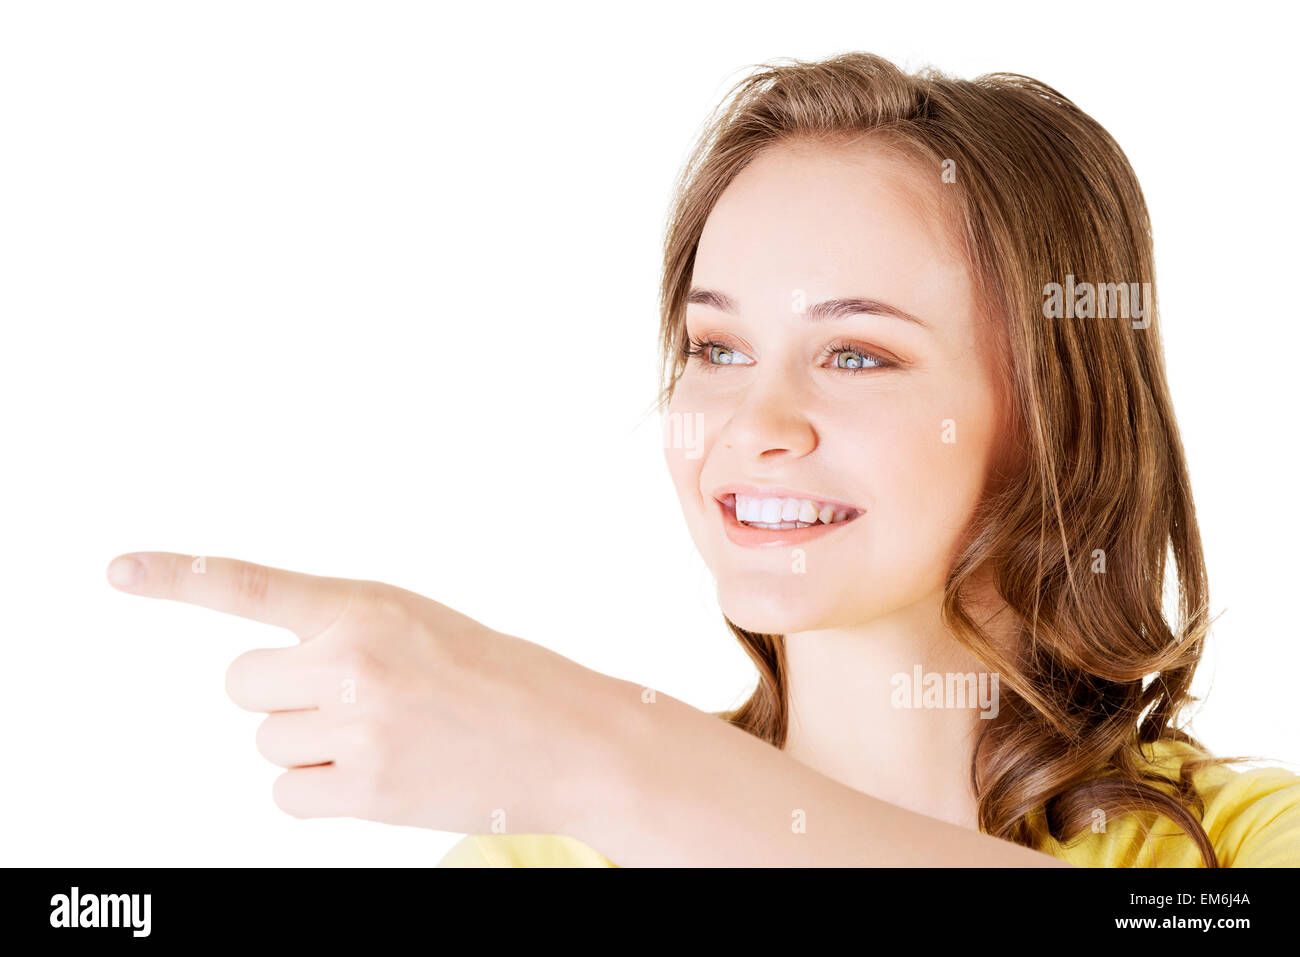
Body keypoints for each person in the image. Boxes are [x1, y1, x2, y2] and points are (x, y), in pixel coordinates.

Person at [108, 52, 1300, 867]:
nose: (753, 423)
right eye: (717, 347)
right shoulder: (546, 855)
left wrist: (606, 754)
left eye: (857, 355)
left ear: (1055, 410)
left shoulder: (1241, 845)